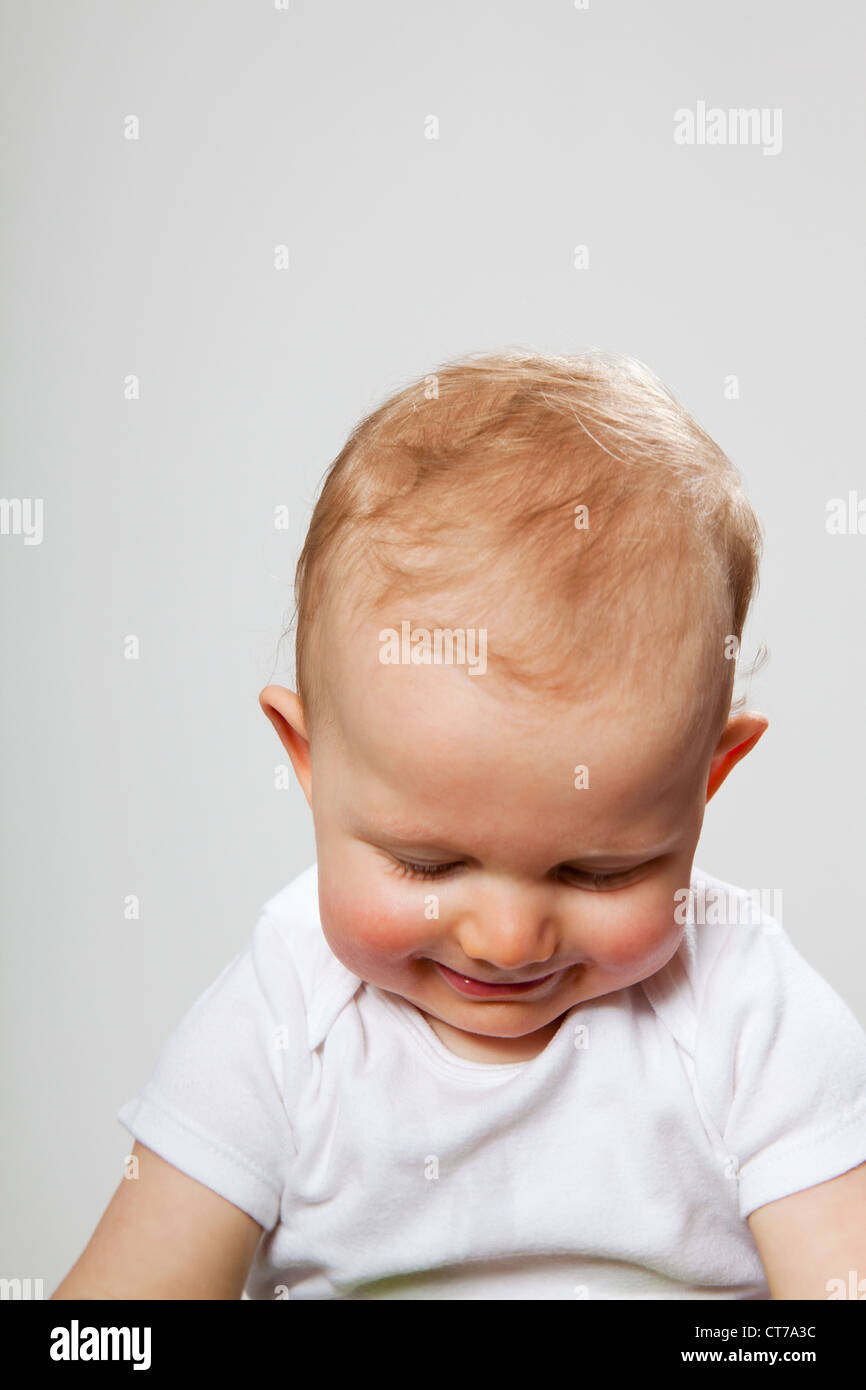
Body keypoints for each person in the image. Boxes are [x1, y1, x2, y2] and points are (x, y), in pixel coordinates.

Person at [51, 349, 866, 1300]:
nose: (508, 938)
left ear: (706, 779)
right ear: (307, 761)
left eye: (597, 873)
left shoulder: (746, 1009)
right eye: (427, 863)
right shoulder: (281, 1020)